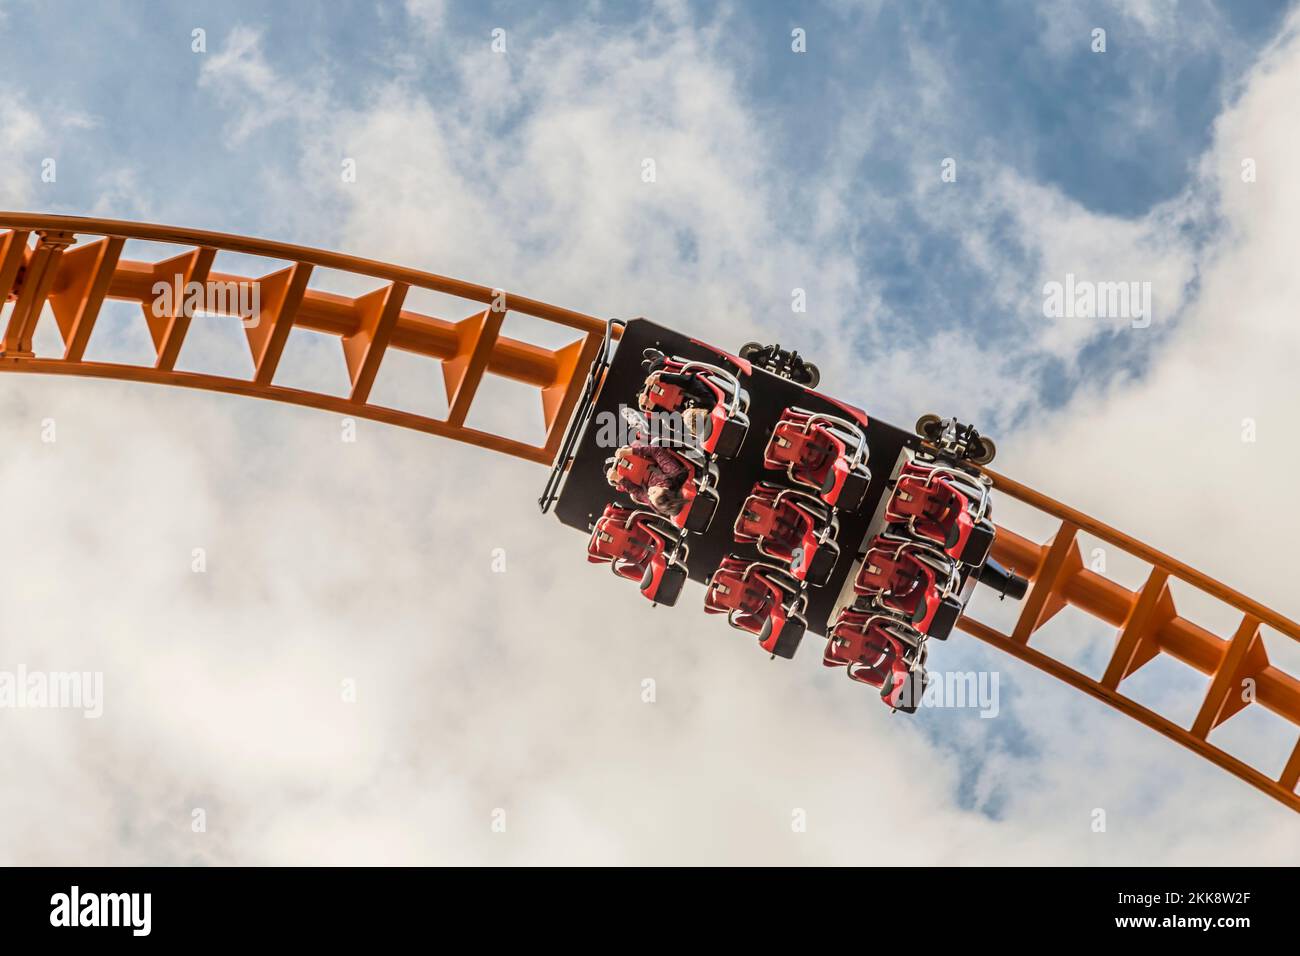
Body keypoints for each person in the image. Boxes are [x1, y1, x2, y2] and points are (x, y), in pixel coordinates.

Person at [638, 350, 715, 445]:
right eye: (688, 413)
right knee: (655, 368)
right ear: (700, 411)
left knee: (642, 396)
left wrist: (652, 406)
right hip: (679, 384)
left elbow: (671, 420)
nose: (683, 414)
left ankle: (649, 375)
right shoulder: (707, 401)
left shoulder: (688, 428)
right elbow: (689, 381)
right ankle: (658, 359)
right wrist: (661, 377)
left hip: (668, 402)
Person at [606, 443, 689, 518]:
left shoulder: (656, 503)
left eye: (650, 496)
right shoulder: (673, 472)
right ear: (666, 489)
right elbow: (656, 451)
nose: (649, 492)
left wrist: (619, 479)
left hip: (635, 477)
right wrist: (630, 451)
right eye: (654, 492)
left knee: (608, 472)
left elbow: (638, 492)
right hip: (645, 456)